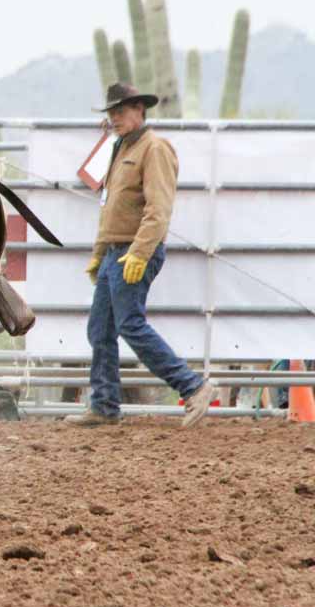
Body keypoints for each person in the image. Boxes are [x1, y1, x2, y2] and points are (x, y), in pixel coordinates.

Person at [65, 83, 214, 428]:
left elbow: (158, 210)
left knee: (128, 324)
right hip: (115, 253)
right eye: (112, 113)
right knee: (101, 328)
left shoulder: (154, 149)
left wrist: (139, 253)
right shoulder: (124, 148)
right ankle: (103, 404)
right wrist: (99, 253)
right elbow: (111, 209)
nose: (114, 118)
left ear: (138, 111)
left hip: (132, 251)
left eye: (120, 112)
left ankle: (193, 386)